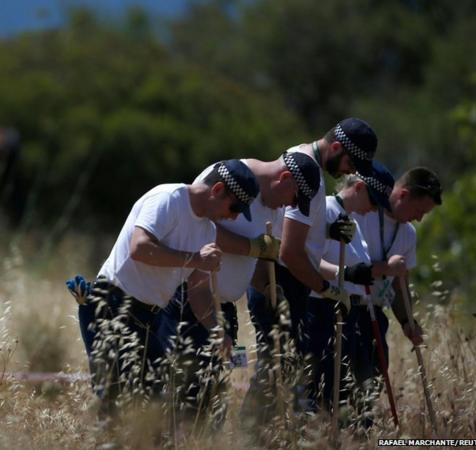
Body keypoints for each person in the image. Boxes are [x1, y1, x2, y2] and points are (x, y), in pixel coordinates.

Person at [77, 160, 259, 415]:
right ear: (217, 189)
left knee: (152, 410)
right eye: (235, 207)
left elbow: (198, 291)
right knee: (117, 404)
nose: (234, 217)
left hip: (148, 318)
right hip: (112, 306)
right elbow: (140, 248)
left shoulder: (207, 231)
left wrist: (218, 331)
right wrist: (196, 259)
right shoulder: (168, 199)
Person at [158, 152, 321, 426]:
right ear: (284, 178)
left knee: (212, 395)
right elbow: (199, 226)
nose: (289, 207)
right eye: (293, 199)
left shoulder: (272, 209)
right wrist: (251, 247)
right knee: (185, 393)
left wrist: (267, 286)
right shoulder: (231, 177)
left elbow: (252, 262)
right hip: (192, 302)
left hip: (224, 308)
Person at [240, 117, 379, 427]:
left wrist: (326, 231)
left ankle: (267, 435)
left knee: (282, 366)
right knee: (277, 365)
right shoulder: (309, 176)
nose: (348, 173)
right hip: (283, 280)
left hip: (287, 277)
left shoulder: (300, 155)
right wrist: (326, 288)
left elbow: (290, 230)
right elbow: (290, 252)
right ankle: (251, 434)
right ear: (336, 147)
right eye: (350, 163)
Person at [343, 166, 443, 426]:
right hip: (348, 307)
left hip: (377, 311)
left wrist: (408, 322)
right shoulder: (363, 212)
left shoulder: (408, 234)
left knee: (376, 375)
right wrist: (385, 267)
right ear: (403, 195)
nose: (418, 219)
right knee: (352, 378)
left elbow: (400, 284)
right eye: (419, 211)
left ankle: (361, 433)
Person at [301, 161, 403, 416]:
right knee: (320, 386)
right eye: (374, 201)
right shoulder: (326, 210)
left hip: (348, 312)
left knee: (343, 389)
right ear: (358, 188)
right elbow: (309, 259)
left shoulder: (352, 222)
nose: (375, 209)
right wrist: (345, 273)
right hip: (323, 308)